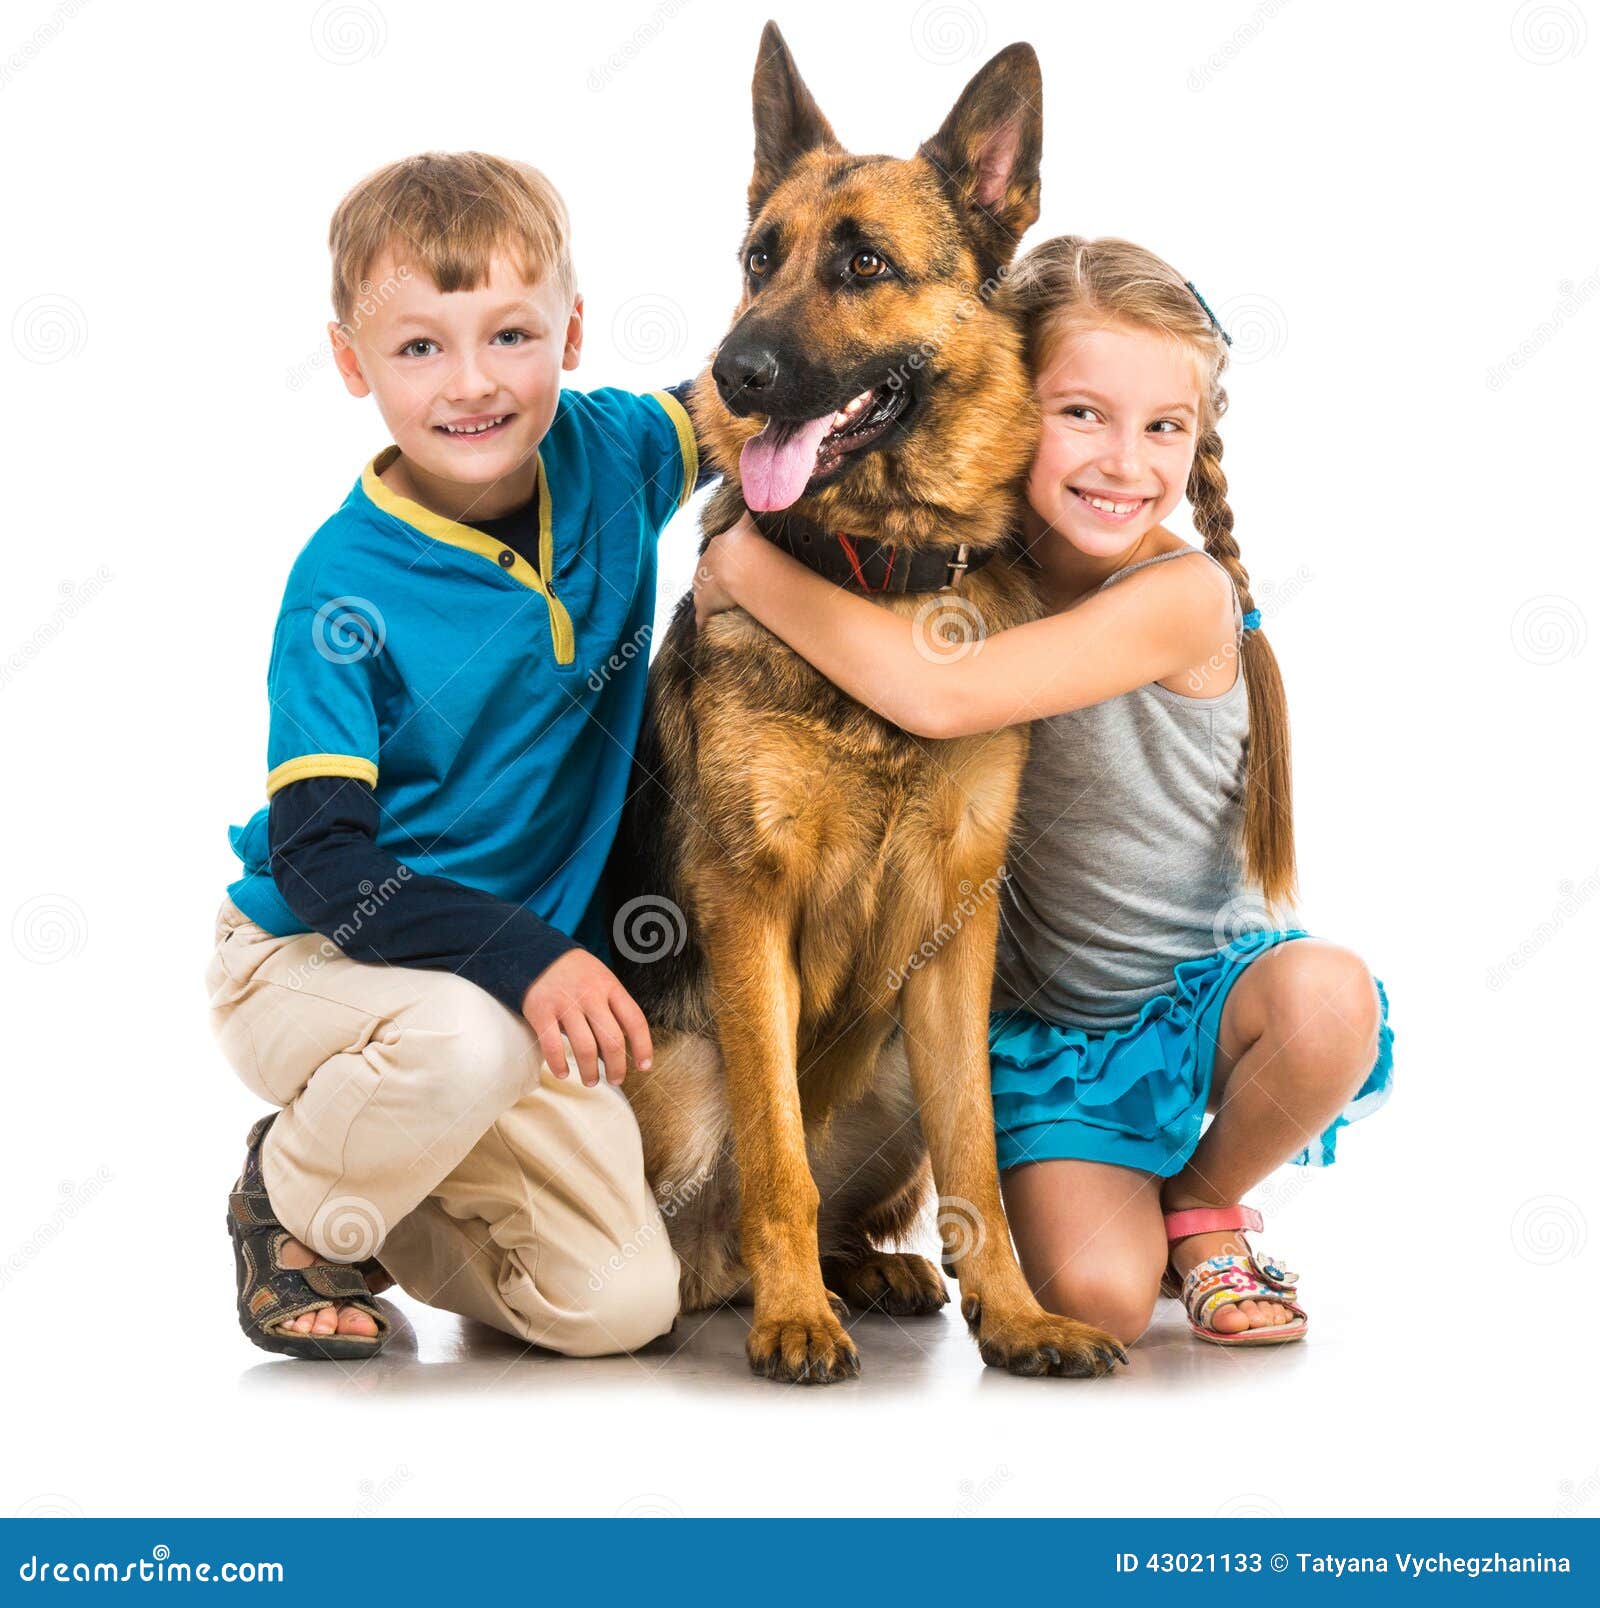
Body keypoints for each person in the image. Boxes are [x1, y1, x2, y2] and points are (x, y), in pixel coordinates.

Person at [690, 235, 1392, 1349]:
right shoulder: (973, 556)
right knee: (1102, 1300)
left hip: (1199, 1005)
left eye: (1164, 427)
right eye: (1082, 416)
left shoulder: (1182, 594)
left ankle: (1205, 1205)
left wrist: (742, 565)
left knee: (1330, 1002)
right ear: (1006, 393)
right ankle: (1132, 1213)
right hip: (1048, 1036)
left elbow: (934, 692)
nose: (1123, 461)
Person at [208, 151, 705, 1360]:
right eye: (420, 348)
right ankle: (290, 1198)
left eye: (511, 335)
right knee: (463, 1040)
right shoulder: (341, 591)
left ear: (573, 330)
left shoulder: (617, 455)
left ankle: (385, 1201)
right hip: (312, 961)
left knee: (624, 1308)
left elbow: (757, 391)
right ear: (350, 364)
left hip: (502, 992)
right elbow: (324, 861)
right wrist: (528, 955)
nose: (473, 384)